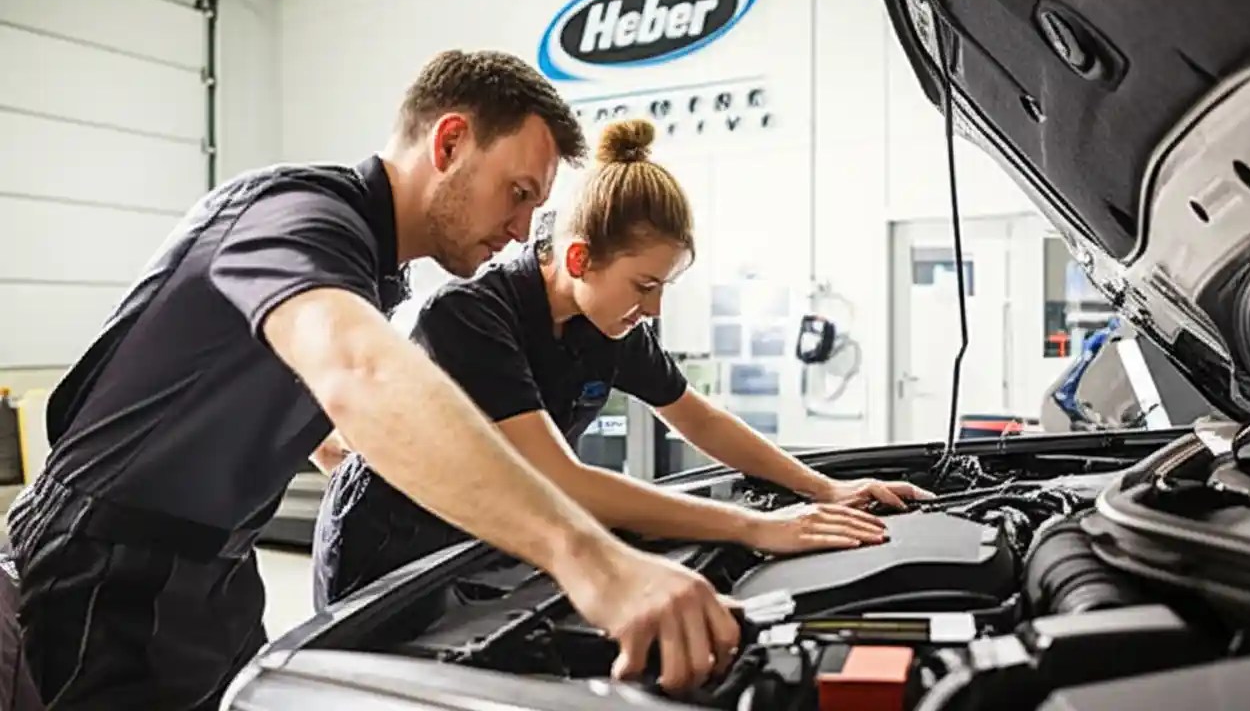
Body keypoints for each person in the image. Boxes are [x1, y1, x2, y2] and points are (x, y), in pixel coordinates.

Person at [4, 51, 742, 709]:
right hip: (106, 565)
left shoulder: (373, 272)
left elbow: (321, 407)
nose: (524, 231)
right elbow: (357, 371)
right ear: (449, 142)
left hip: (217, 569)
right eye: (517, 193)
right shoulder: (294, 215)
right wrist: (593, 559)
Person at [313, 118, 933, 613]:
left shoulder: (608, 326)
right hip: (391, 552)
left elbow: (701, 420)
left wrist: (824, 487)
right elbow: (563, 479)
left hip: (490, 543)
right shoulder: (468, 317)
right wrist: (752, 527)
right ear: (579, 258)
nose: (654, 307)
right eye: (644, 285)